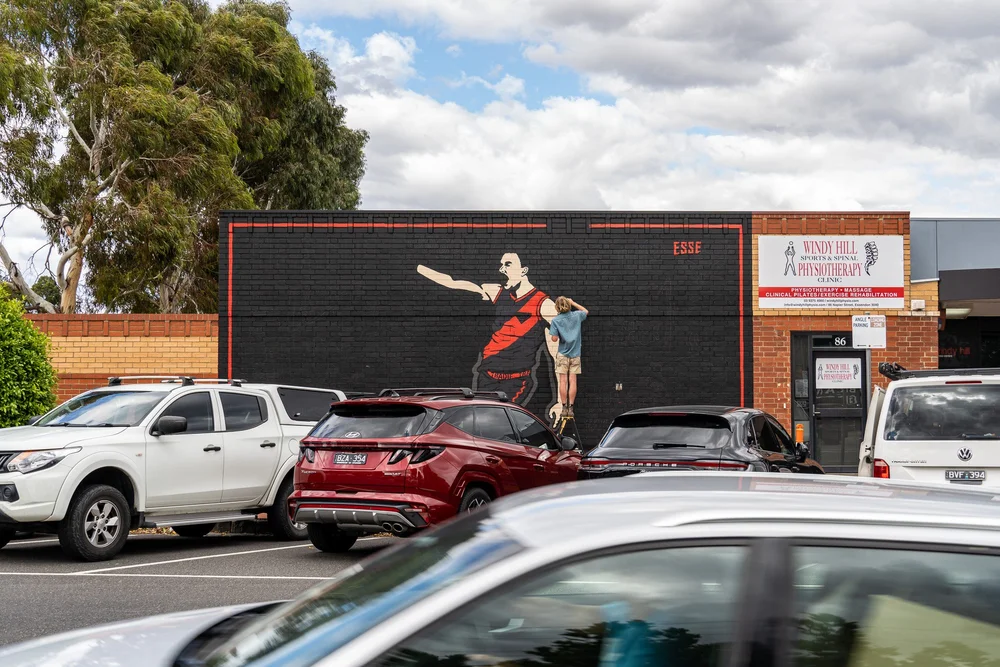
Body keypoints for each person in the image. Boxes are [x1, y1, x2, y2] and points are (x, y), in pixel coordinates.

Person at [417, 254, 560, 409]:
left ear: (523, 270)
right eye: (501, 264)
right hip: (486, 375)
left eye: (508, 264)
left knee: (498, 422)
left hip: (516, 380)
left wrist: (561, 403)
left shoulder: (543, 304)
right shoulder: (497, 292)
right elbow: (452, 282)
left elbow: (559, 355)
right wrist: (417, 266)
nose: (502, 269)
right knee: (482, 422)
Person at [549, 296, 588, 418]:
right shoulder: (576, 316)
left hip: (563, 355)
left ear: (557, 307)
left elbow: (554, 339)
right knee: (573, 381)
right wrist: (574, 302)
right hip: (575, 354)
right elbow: (586, 311)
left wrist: (558, 334)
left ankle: (564, 406)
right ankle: (571, 407)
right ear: (568, 305)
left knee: (563, 381)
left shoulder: (556, 321)